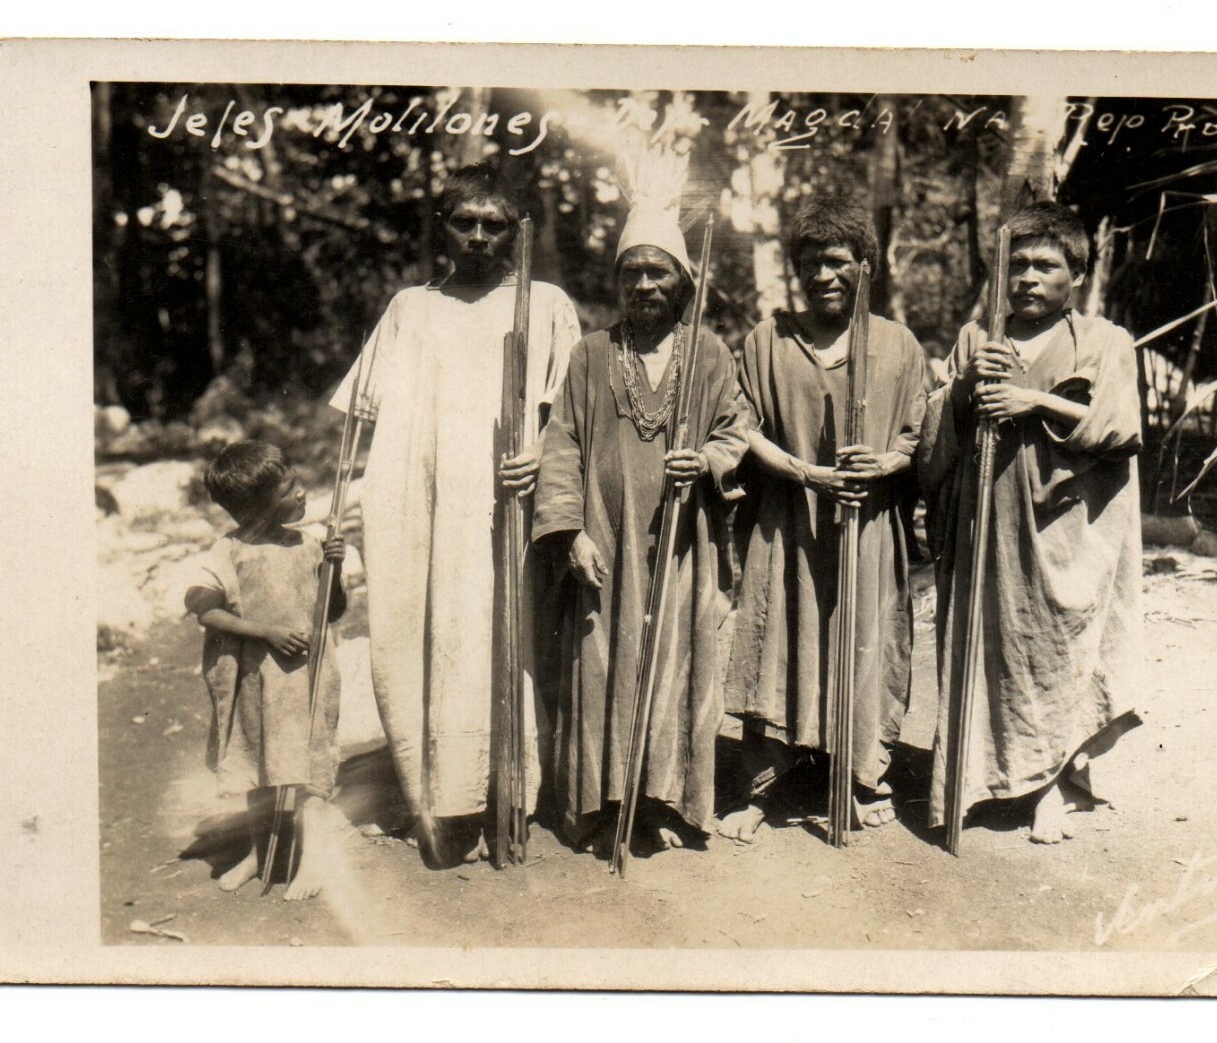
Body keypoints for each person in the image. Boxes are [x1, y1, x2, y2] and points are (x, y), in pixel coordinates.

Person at [328, 162, 582, 865]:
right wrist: (341, 509)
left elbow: (570, 411)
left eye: (493, 224)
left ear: (514, 231)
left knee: (501, 638)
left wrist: (539, 454)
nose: (477, 236)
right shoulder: (411, 307)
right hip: (421, 499)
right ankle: (437, 796)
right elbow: (362, 417)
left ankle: (508, 792)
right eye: (463, 222)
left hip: (504, 500)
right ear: (442, 227)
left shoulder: (545, 303)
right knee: (424, 633)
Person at [916, 201, 1143, 845]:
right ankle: (977, 780)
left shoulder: (1104, 341)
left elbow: (1122, 428)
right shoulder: (976, 336)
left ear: (1076, 273)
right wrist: (963, 388)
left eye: (1047, 265)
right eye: (1017, 266)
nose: (1028, 279)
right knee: (984, 647)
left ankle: (1053, 786)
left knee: (1056, 647)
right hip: (986, 521)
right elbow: (937, 432)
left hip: (1067, 528)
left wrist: (1033, 399)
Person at [532, 192, 748, 858]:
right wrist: (569, 532)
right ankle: (602, 803)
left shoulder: (709, 354)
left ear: (682, 282)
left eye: (658, 273)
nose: (645, 285)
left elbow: (736, 430)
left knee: (678, 667)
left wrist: (707, 458)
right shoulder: (591, 356)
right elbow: (561, 443)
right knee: (601, 665)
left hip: (683, 544)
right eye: (633, 273)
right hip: (604, 539)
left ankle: (662, 800)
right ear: (617, 282)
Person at [718, 198, 928, 844]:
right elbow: (742, 426)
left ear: (865, 267)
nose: (823, 275)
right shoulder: (766, 341)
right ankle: (763, 782)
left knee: (865, 642)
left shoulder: (896, 344)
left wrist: (882, 464)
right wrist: (808, 473)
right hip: (788, 522)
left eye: (838, 261)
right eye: (810, 263)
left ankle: (861, 775)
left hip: (867, 525)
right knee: (780, 635)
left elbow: (916, 435)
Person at [185, 440, 348, 900]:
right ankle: (262, 855)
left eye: (297, 482)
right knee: (259, 771)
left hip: (309, 680)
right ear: (255, 509)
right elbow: (203, 609)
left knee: (310, 771)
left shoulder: (312, 545)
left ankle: (312, 862)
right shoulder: (228, 550)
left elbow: (331, 611)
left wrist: (334, 568)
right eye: (286, 491)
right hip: (255, 682)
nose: (301, 494)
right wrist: (266, 632)